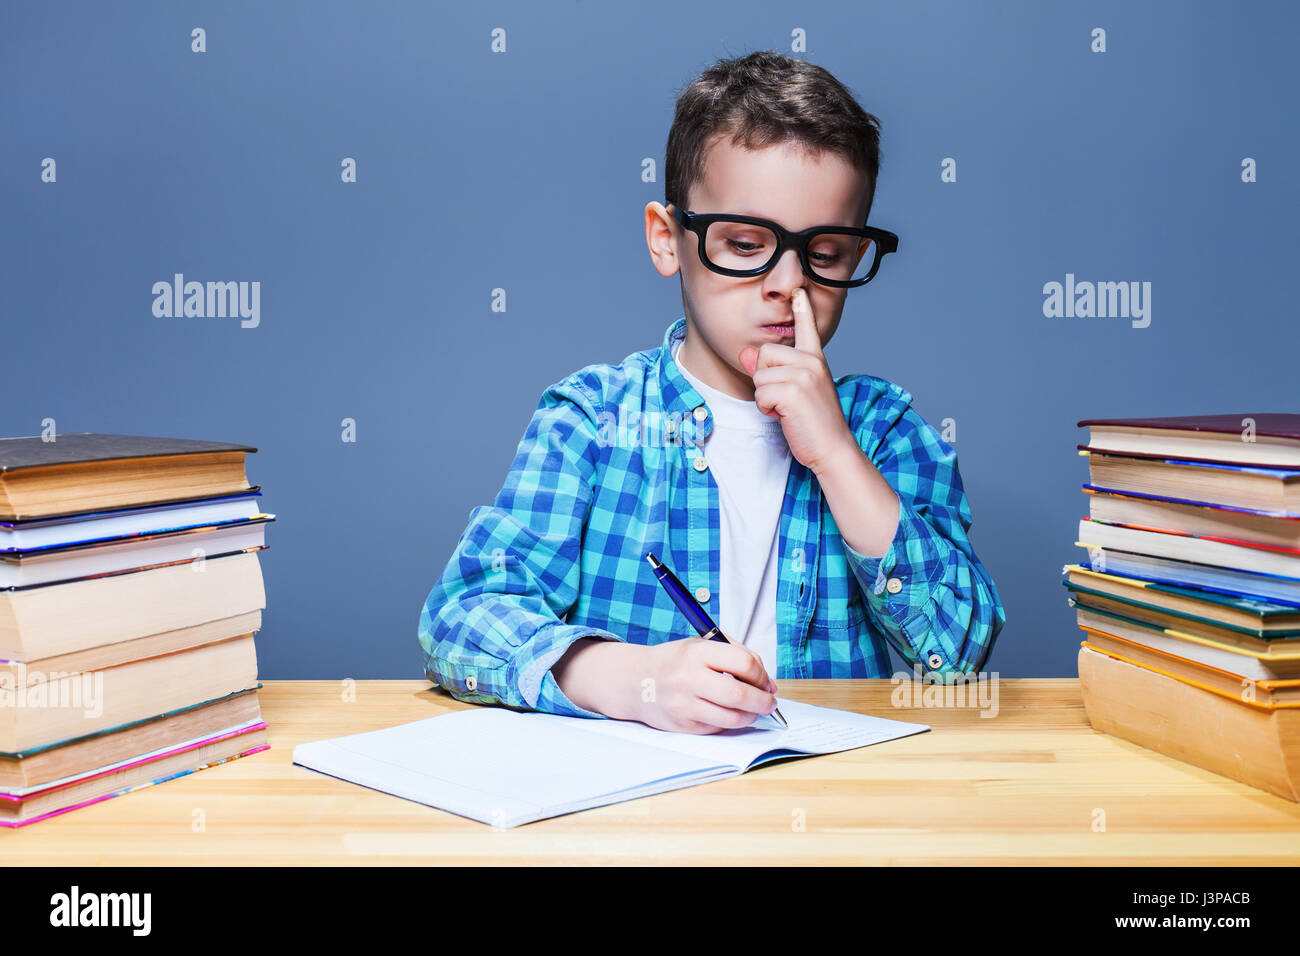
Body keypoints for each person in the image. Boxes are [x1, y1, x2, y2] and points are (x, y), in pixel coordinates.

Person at [419, 50, 1005, 734]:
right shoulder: (591, 420)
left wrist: (839, 459)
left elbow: (960, 658)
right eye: (746, 242)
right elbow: (460, 617)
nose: (789, 282)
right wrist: (632, 679)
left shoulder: (884, 430)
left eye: (825, 254)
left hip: (832, 812)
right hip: (644, 820)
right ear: (668, 240)